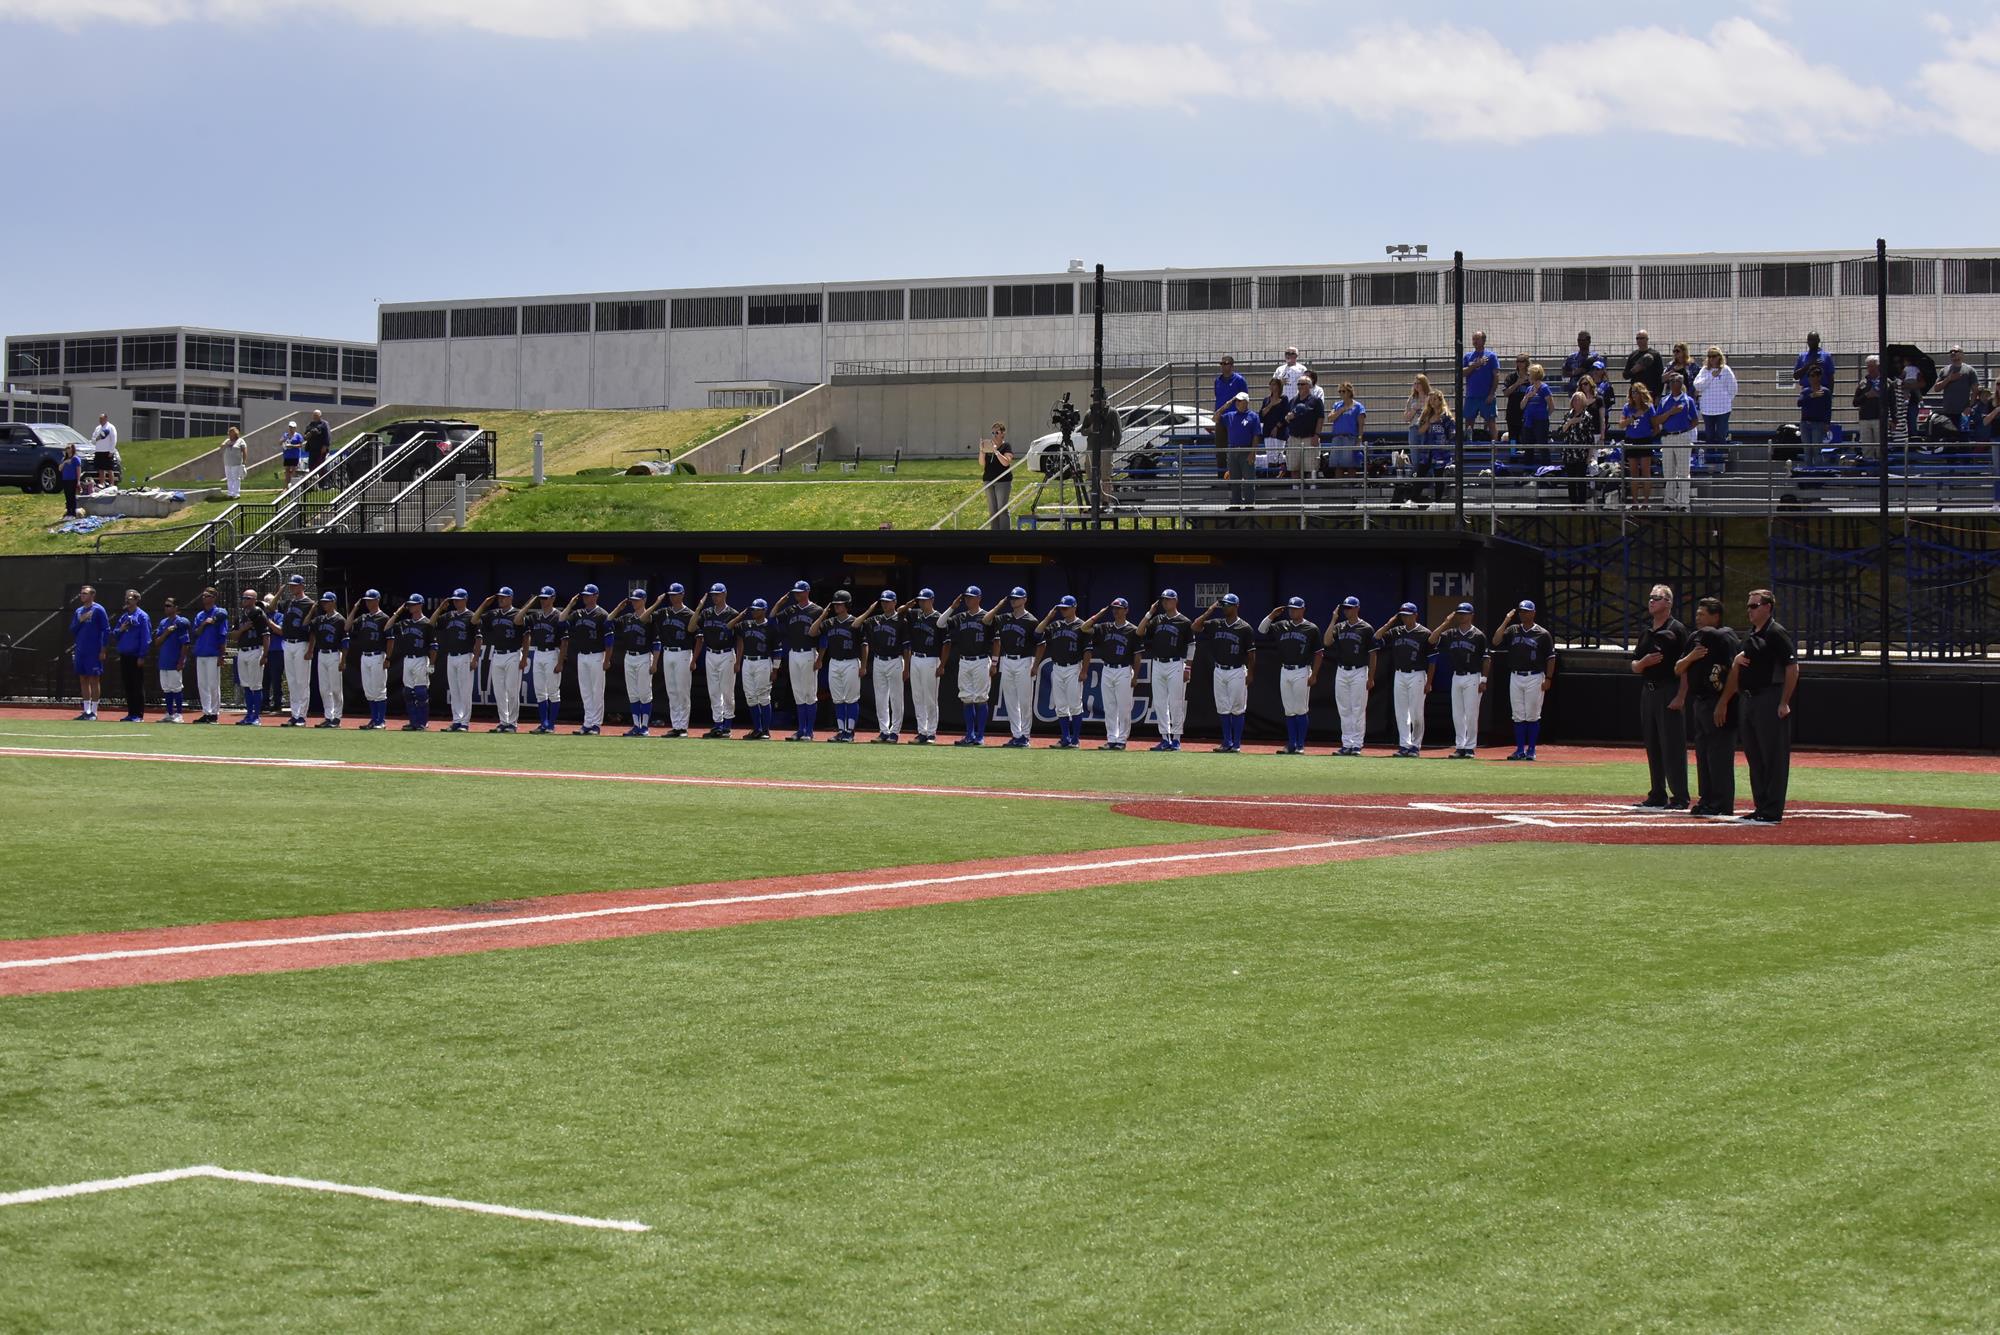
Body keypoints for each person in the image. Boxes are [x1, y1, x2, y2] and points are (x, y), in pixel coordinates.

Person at [1717, 589, 1798, 823]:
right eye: (1748, 606)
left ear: (1768, 607)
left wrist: (1784, 701)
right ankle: (1761, 806)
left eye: (1754, 606)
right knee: (1755, 755)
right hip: (1749, 699)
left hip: (1769, 698)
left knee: (1772, 756)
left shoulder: (1776, 633)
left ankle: (1772, 810)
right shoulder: (1752, 634)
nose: (1749, 610)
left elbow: (1792, 668)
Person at [1675, 596, 1740, 817]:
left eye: (1702, 614)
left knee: (1719, 754)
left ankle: (1722, 802)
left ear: (1716, 616)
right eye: (1697, 614)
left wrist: (1723, 703)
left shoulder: (1725, 637)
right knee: (1703, 753)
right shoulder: (1695, 638)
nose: (1698, 618)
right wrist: (1692, 657)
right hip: (1700, 703)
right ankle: (1707, 798)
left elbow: (1734, 671)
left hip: (1719, 702)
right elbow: (1678, 668)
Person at [1631, 584, 1690, 810]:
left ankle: (1680, 796)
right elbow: (1635, 665)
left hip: (1669, 690)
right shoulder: (1647, 632)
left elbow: (1686, 667)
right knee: (1653, 745)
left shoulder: (1677, 630)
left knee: (1672, 745)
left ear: (1668, 602)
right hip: (1649, 691)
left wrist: (1681, 696)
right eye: (1650, 597)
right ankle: (1657, 793)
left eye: (1657, 598)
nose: (1651, 601)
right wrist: (1643, 663)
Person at [1191, 594, 1255, 752]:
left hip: (1237, 670)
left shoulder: (1245, 628)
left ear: (1236, 606)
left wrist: (1251, 673)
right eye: (1223, 604)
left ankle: (1237, 744)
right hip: (1219, 669)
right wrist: (1209, 611)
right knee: (1223, 707)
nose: (1224, 607)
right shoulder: (1216, 624)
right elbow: (1195, 627)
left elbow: (1251, 654)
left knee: (1237, 708)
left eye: (1228, 604)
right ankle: (1227, 742)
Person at [1493, 601, 1556, 760]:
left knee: (1533, 715)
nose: (1523, 614)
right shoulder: (1513, 630)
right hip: (1515, 675)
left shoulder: (1542, 634)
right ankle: (1520, 749)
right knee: (1518, 715)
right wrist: (1506, 620)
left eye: (1526, 611)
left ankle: (1532, 750)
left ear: (1533, 613)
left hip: (1534, 676)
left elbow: (1551, 658)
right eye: (1521, 611)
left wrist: (1548, 678)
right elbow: (1496, 640)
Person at [1259, 597, 1320, 754]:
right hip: (1285, 670)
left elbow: (1319, 653)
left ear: (1303, 609)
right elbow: (1261, 630)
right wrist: (1272, 615)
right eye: (1291, 608)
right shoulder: (1281, 625)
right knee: (1289, 709)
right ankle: (1291, 743)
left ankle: (1300, 745)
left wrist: (1314, 674)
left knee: (1300, 709)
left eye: (1296, 608)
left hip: (1302, 669)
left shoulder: (1311, 628)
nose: (1292, 611)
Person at [1429, 603, 1489, 758]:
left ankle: (1470, 747)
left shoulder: (1478, 635)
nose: (1462, 616)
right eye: (1459, 613)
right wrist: (1445, 623)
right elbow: (1432, 640)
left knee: (1471, 714)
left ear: (1471, 615)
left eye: (1464, 613)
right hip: (1457, 675)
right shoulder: (1450, 634)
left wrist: (1484, 679)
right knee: (1457, 714)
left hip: (1473, 676)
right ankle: (1460, 746)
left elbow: (1486, 659)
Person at [937, 586, 995, 746]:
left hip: (981, 660)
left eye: (971, 597)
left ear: (979, 598)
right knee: (967, 698)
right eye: (966, 597)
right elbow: (940, 623)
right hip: (964, 661)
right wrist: (953, 607)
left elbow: (997, 640)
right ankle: (969, 734)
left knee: (981, 698)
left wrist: (995, 662)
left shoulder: (986, 616)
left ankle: (980, 736)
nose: (968, 600)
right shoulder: (960, 617)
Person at [1138, 590, 1193, 751]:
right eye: (1163, 600)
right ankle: (1164, 738)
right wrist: (1149, 613)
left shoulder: (1184, 621)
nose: (1165, 602)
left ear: (1175, 601)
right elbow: (1139, 632)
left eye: (1168, 600)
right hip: (1158, 664)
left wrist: (1188, 667)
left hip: (1176, 664)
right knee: (1160, 703)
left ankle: (1176, 739)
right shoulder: (1157, 620)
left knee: (1176, 703)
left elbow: (1191, 646)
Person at [1375, 603, 1431, 757]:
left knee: (1416, 712)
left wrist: (1429, 681)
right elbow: (1377, 637)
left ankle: (1415, 746)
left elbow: (1433, 659)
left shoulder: (1424, 633)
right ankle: (1404, 745)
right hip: (1400, 673)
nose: (1405, 618)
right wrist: (1389, 623)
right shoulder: (1396, 631)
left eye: (1408, 615)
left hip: (1417, 674)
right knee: (1401, 712)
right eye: (1403, 615)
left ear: (1415, 615)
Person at [987, 587, 1040, 748]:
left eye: (1017, 598)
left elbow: (1041, 644)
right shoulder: (1005, 618)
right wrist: (999, 605)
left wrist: (1035, 664)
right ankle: (1016, 734)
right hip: (1007, 660)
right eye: (1011, 598)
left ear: (1024, 600)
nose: (1013, 601)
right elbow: (986, 620)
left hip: (1024, 660)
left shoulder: (1031, 620)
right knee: (1010, 700)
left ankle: (1025, 736)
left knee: (1024, 701)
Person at [1322, 596, 1375, 755]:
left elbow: (1373, 654)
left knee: (1357, 708)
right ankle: (1346, 744)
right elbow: (1327, 641)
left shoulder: (1366, 628)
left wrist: (1371, 677)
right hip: (1342, 670)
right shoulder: (1340, 626)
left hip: (1359, 670)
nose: (1347, 610)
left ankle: (1357, 744)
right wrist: (1333, 619)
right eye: (1345, 607)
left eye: (1350, 607)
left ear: (1357, 608)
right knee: (1344, 708)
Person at [1037, 596, 1092, 749]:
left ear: (1074, 608)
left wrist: (1084, 671)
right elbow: (1037, 633)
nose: (1062, 610)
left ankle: (1075, 739)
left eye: (1065, 608)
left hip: (1074, 667)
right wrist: (1049, 617)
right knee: (1060, 705)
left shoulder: (1082, 626)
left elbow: (1088, 651)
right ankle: (1065, 738)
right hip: (1057, 667)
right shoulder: (1056, 625)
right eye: (1061, 608)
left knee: (1075, 704)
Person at [1087, 598, 1140, 750]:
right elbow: (1084, 628)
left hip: (1124, 669)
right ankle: (1111, 739)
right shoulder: (1105, 627)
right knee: (1109, 707)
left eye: (1119, 608)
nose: (1116, 611)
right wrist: (1100, 614)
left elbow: (1138, 655)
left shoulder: (1132, 630)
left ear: (1126, 610)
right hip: (1107, 668)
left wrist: (1135, 676)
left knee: (1124, 707)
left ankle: (1122, 740)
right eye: (1114, 608)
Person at [811, 592, 865, 743]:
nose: (836, 606)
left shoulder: (855, 622)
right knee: (838, 700)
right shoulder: (830, 622)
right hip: (834, 662)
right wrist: (823, 615)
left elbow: (864, 645)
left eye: (840, 604)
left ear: (847, 605)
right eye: (835, 604)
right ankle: (841, 731)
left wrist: (864, 666)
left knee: (851, 699)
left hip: (851, 662)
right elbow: (812, 631)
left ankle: (850, 732)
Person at [777, 581, 826, 740]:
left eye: (799, 592)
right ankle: (801, 729)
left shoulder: (817, 610)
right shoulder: (791, 610)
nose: (797, 595)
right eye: (795, 592)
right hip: (793, 653)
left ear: (807, 592)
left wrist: (820, 657)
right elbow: (772, 617)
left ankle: (809, 731)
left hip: (809, 652)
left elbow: (823, 636)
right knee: (798, 693)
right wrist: (780, 602)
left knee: (809, 693)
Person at [857, 591, 908, 743]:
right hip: (879, 660)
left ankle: (895, 731)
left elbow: (906, 647)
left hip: (895, 660)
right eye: (883, 602)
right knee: (880, 698)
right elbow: (856, 624)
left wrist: (907, 668)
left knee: (896, 698)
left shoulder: (901, 621)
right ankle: (884, 730)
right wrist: (869, 610)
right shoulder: (875, 620)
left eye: (888, 601)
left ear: (894, 602)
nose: (885, 604)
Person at [610, 589, 660, 737]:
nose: (634, 602)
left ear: (644, 600)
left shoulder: (650, 619)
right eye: (632, 600)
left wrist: (655, 663)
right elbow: (608, 621)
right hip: (629, 657)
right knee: (633, 694)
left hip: (644, 656)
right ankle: (636, 726)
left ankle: (644, 727)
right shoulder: (627, 618)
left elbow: (657, 643)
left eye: (637, 600)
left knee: (644, 693)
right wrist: (618, 608)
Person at [432, 588, 482, 732]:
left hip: (465, 655)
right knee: (454, 691)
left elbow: (479, 639)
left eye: (458, 599)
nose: (455, 602)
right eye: (454, 599)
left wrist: (475, 658)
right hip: (451, 656)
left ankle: (465, 722)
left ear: (465, 600)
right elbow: (432, 623)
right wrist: (440, 608)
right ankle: (456, 720)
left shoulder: (472, 616)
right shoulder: (449, 616)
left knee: (464, 691)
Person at [565, 584, 612, 735]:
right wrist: (571, 604)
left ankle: (596, 725)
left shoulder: (602, 614)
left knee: (597, 691)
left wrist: (607, 659)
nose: (585, 597)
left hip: (597, 655)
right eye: (584, 595)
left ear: (596, 596)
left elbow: (609, 639)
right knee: (585, 691)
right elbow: (561, 621)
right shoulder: (577, 613)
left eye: (588, 595)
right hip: (582, 655)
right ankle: (587, 723)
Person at [900, 589, 945, 744]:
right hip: (916, 658)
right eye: (920, 600)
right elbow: (900, 612)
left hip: (931, 659)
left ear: (932, 600)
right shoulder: (915, 614)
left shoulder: (938, 618)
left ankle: (931, 732)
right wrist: (909, 604)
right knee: (918, 697)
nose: (922, 602)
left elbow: (946, 643)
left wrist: (942, 664)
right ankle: (922, 731)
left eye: (924, 600)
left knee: (930, 698)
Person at [387, 594, 438, 730]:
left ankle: (423, 722)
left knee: (421, 692)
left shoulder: (427, 623)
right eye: (409, 604)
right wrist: (397, 613)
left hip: (421, 659)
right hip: (407, 659)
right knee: (408, 693)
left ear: (420, 605)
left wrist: (432, 664)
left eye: (413, 604)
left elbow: (433, 647)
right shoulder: (405, 623)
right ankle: (413, 722)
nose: (410, 607)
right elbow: (387, 628)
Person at [694, 583, 739, 737]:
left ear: (724, 594)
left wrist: (738, 661)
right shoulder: (706, 613)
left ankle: (727, 725)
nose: (715, 597)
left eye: (717, 594)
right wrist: (699, 608)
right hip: (711, 653)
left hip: (727, 654)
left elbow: (740, 639)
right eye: (713, 594)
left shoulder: (733, 613)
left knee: (727, 691)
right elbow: (691, 627)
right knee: (713, 691)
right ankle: (717, 724)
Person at [482, 585, 528, 734]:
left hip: (513, 654)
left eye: (504, 597)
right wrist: (485, 604)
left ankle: (513, 723)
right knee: (499, 691)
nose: (501, 599)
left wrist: (524, 657)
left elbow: (527, 636)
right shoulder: (494, 614)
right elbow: (475, 619)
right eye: (499, 597)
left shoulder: (517, 614)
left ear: (510, 598)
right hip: (497, 654)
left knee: (512, 690)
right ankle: (503, 721)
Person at [523, 587, 567, 734]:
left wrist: (560, 662)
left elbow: (564, 641)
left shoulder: (558, 616)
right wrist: (530, 603)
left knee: (554, 692)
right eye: (541, 598)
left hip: (552, 653)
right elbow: (518, 619)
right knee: (540, 691)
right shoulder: (536, 616)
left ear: (553, 598)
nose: (543, 601)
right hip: (538, 653)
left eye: (545, 598)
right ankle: (543, 723)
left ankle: (551, 725)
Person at [273, 575, 314, 726]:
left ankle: (302, 715)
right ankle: (294, 714)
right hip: (287, 643)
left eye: (295, 585)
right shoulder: (289, 602)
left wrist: (310, 649)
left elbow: (312, 630)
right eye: (291, 585)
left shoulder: (309, 603)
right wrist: (279, 593)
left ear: (303, 586)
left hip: (301, 643)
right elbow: (271, 608)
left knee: (302, 681)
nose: (292, 588)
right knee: (291, 681)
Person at [1654, 373, 1700, 511]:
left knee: (1683, 472)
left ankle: (1684, 503)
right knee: (1668, 471)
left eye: (1679, 381)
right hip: (1667, 437)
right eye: (1673, 381)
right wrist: (1671, 412)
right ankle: (1669, 502)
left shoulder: (1688, 400)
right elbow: (1657, 420)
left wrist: (1684, 430)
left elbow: (1695, 420)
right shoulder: (1664, 401)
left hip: (1682, 436)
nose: (1675, 383)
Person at [348, 589, 393, 730]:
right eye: (366, 600)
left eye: (370, 600)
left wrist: (388, 658)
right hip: (365, 656)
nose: (368, 602)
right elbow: (347, 626)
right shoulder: (363, 618)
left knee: (379, 690)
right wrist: (354, 609)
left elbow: (390, 640)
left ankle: (381, 721)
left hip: (378, 655)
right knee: (369, 690)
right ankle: (373, 719)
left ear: (377, 600)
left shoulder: (384, 618)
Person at [105, 588, 151, 722]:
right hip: (125, 655)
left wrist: (142, 656)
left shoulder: (142, 616)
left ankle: (138, 714)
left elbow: (146, 638)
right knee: (128, 685)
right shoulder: (124, 617)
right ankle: (131, 713)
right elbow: (114, 634)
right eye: (126, 598)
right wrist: (121, 629)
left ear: (136, 600)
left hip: (136, 656)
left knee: (137, 685)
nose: (127, 600)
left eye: (130, 598)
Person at [735, 599, 778, 739]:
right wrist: (738, 661)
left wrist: (775, 670)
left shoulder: (771, 627)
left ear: (764, 610)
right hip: (747, 661)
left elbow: (778, 650)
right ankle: (757, 729)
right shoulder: (746, 625)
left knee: (763, 697)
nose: (754, 611)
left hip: (763, 662)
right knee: (750, 697)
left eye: (757, 609)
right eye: (753, 609)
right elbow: (727, 628)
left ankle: (765, 730)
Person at [188, 587, 229, 723]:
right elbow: (196, 633)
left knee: (213, 684)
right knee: (202, 684)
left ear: (213, 597)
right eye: (203, 595)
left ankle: (214, 713)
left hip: (213, 653)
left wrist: (221, 655)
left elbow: (222, 635)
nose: (204, 598)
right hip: (201, 653)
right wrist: (204, 624)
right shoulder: (200, 615)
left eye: (207, 595)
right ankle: (206, 712)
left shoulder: (219, 613)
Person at [307, 592, 348, 728]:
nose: (324, 604)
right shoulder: (320, 619)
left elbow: (345, 642)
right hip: (322, 654)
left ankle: (337, 717)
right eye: (323, 602)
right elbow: (306, 626)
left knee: (336, 688)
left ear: (334, 602)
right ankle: (328, 716)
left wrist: (343, 660)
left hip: (334, 654)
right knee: (324, 689)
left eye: (327, 601)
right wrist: (312, 609)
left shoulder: (340, 620)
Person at [1216, 391, 1262, 507]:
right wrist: (1226, 405)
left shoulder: (1253, 416)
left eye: (1240, 400)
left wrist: (1253, 452)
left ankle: (1249, 503)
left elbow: (1256, 436)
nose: (1237, 403)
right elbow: (1215, 418)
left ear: (1246, 402)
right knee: (1234, 480)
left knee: (1248, 479)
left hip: (1246, 450)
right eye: (1236, 400)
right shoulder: (1230, 415)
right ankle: (1235, 503)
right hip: (1232, 450)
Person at [230, 588, 268, 725]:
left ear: (253, 600)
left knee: (256, 686)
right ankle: (249, 714)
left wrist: (265, 654)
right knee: (245, 685)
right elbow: (233, 636)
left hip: (255, 650)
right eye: (243, 597)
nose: (244, 600)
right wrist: (243, 629)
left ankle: (256, 716)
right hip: (242, 651)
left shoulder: (259, 614)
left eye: (247, 598)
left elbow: (266, 636)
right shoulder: (240, 616)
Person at [1412, 390, 1454, 504]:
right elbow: (1420, 431)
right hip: (1427, 450)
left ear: (1440, 400)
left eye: (1435, 399)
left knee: (1439, 476)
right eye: (1430, 400)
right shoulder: (1426, 415)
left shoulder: (1446, 417)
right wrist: (1429, 423)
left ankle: (1438, 501)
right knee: (1421, 474)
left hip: (1440, 451)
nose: (1432, 402)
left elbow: (1451, 433)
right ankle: (1413, 498)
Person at [1622, 383, 1659, 507]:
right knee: (1634, 472)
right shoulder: (1627, 407)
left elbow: (1656, 427)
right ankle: (1635, 501)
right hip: (1631, 441)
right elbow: (1621, 424)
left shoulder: (1649, 407)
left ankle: (1646, 501)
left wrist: (1647, 435)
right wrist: (1633, 417)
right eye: (1632, 392)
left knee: (1645, 471)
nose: (1634, 395)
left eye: (1636, 392)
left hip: (1644, 441)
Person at [1288, 375, 1328, 484]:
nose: (1300, 386)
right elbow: (1286, 417)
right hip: (1294, 438)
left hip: (1309, 438)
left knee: (1311, 466)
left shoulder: (1316, 401)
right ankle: (1295, 488)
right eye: (1298, 384)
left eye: (1303, 384)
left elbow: (1320, 419)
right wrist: (1288, 417)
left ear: (1309, 386)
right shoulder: (1292, 401)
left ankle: (1312, 488)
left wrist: (1317, 435)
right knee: (1294, 465)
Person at [1693, 346, 1737, 446]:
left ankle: (1720, 458)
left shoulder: (1726, 370)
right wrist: (1711, 376)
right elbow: (1698, 386)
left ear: (1719, 357)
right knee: (1709, 435)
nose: (1711, 358)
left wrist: (1726, 400)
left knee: (1721, 434)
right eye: (1709, 356)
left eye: (1714, 356)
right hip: (1708, 409)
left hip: (1723, 409)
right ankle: (1711, 458)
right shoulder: (1704, 370)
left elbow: (1733, 388)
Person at [1212, 357, 1247, 475]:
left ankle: (1236, 474)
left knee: (1235, 448)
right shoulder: (1217, 381)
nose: (1222, 366)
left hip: (1235, 419)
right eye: (1221, 363)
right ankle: (1221, 475)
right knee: (1220, 449)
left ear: (1232, 365)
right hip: (1221, 418)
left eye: (1225, 363)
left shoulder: (1239, 380)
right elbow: (1217, 397)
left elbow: (1244, 398)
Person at [1463, 330, 1500, 442]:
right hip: (1471, 396)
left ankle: (1494, 450)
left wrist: (1491, 394)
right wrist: (1474, 365)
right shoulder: (1468, 356)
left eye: (1477, 339)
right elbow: (1462, 372)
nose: (1474, 341)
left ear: (1483, 340)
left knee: (1491, 422)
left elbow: (1496, 375)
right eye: (1473, 339)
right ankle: (1467, 448)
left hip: (1486, 396)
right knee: (1469, 422)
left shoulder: (1491, 356)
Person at [980, 423, 1015, 532]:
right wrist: (982, 450)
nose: (994, 435)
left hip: (1003, 481)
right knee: (992, 510)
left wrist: (996, 452)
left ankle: (1004, 535)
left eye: (997, 432)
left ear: (1003, 434)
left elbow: (1006, 462)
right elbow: (982, 463)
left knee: (1002, 510)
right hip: (989, 480)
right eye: (993, 433)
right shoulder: (988, 447)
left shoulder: (1006, 446)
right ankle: (994, 535)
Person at [1325, 382, 1363, 479]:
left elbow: (1361, 425)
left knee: (1350, 465)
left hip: (1350, 438)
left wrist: (1359, 440)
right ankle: (1339, 487)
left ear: (1350, 392)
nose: (1341, 393)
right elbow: (1330, 418)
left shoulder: (1358, 406)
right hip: (1337, 438)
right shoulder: (1337, 405)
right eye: (1340, 391)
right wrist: (1341, 411)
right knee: (1337, 465)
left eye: (1343, 391)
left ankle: (1351, 488)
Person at [1935, 346, 1980, 429]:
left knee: (1963, 437)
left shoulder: (1970, 370)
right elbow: (1936, 388)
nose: (1953, 353)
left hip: (1963, 411)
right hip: (1947, 411)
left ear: (1962, 354)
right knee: (1949, 436)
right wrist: (1948, 379)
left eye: (1956, 351)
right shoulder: (1944, 370)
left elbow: (1975, 391)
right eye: (1951, 351)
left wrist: (1970, 406)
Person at [1519, 363, 1554, 460]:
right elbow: (1522, 406)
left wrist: (1544, 416)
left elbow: (1551, 406)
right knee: (1528, 446)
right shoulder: (1529, 389)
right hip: (1528, 420)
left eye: (1530, 374)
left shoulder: (1544, 388)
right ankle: (1528, 468)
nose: (1528, 376)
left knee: (1542, 445)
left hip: (1540, 421)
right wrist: (1527, 397)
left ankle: (1546, 467)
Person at [1258, 377, 1290, 479]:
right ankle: (1272, 475)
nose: (1272, 387)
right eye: (1271, 384)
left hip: (1280, 432)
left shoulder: (1284, 399)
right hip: (1268, 431)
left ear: (1279, 386)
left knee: (1279, 454)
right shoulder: (1266, 400)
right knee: (1270, 455)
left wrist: (1277, 427)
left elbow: (1286, 416)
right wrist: (1271, 404)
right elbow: (1261, 416)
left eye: (1274, 384)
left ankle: (1282, 473)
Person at [1853, 355, 1886, 452]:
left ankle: (1881, 465)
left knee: (1880, 447)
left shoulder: (1885, 382)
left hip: (1880, 419)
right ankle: (1868, 464)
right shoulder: (1863, 383)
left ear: (1878, 367)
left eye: (1872, 366)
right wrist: (1866, 395)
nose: (1870, 369)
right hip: (1865, 419)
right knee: (1867, 447)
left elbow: (1891, 401)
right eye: (1868, 366)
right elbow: (1855, 402)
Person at [1797, 363, 1834, 446]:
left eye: (1815, 375)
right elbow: (1799, 403)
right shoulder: (1805, 391)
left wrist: (1827, 423)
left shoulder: (1825, 392)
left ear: (1820, 377)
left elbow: (1828, 408)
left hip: (1818, 423)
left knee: (1817, 449)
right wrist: (1811, 396)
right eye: (1811, 376)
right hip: (1805, 423)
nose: (1813, 378)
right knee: (1807, 449)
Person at [1793, 332, 1836, 399]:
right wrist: (1808, 365)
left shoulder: (1826, 356)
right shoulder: (1802, 356)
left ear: (1818, 340)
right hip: (1807, 391)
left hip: (1822, 391)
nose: (1811, 342)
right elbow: (1795, 376)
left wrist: (1830, 394)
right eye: (1810, 340)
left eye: (1814, 339)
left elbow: (1831, 377)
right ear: (1807, 341)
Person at [1503, 353, 1532, 447]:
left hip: (1527, 412)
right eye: (1517, 361)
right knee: (1513, 437)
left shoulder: (1531, 377)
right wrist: (1517, 383)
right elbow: (1505, 393)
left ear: (1526, 363)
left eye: (1522, 361)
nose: (1519, 363)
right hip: (1513, 412)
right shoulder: (1511, 377)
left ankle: (1525, 456)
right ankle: (1513, 455)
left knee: (1526, 436)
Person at [1624, 331, 1664, 399]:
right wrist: (1634, 370)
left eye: (1642, 338)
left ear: (1647, 339)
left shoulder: (1655, 355)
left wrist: (1658, 395)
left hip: (1651, 393)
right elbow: (1625, 375)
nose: (1639, 340)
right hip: (1636, 393)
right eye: (1637, 338)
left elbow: (1660, 376)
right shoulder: (1632, 355)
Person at [1402, 373, 1433, 455]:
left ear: (1424, 384)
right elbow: (1406, 419)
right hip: (1414, 428)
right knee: (1415, 455)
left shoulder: (1431, 397)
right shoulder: (1411, 399)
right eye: (1415, 383)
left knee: (1427, 455)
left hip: (1428, 428)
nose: (1416, 385)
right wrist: (1414, 409)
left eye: (1418, 383)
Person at [88, 414, 119, 488]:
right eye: (99, 419)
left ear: (106, 419)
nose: (100, 420)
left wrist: (111, 451)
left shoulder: (111, 427)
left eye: (101, 419)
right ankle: (102, 483)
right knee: (100, 468)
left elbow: (114, 439)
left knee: (109, 469)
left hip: (107, 451)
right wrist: (97, 438)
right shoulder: (97, 428)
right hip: (99, 451)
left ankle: (112, 484)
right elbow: (93, 439)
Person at [221, 426, 249, 499]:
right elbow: (222, 446)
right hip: (227, 462)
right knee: (229, 478)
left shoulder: (240, 441)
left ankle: (236, 493)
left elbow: (244, 451)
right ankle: (230, 493)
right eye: (229, 433)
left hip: (236, 463)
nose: (229, 435)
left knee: (236, 478)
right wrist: (225, 444)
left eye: (231, 433)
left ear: (235, 433)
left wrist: (244, 460)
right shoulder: (227, 440)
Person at [303, 410, 331, 478]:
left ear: (320, 416)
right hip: (312, 449)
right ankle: (312, 482)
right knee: (311, 466)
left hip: (321, 449)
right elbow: (305, 435)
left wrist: (325, 446)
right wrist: (307, 435)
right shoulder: (310, 424)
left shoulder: (324, 424)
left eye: (316, 415)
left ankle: (322, 483)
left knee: (321, 466)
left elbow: (327, 435)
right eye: (314, 415)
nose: (314, 417)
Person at [278, 421, 304, 487]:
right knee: (287, 471)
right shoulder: (285, 435)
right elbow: (280, 442)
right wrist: (283, 439)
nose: (290, 429)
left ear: (295, 428)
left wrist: (292, 446)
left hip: (295, 456)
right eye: (290, 427)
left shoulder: (298, 435)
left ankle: (292, 486)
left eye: (292, 427)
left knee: (293, 471)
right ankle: (286, 486)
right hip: (287, 456)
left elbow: (301, 445)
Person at [58, 443, 81, 515]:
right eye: (66, 448)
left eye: (69, 448)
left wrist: (78, 480)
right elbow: (60, 469)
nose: (67, 449)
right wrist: (65, 462)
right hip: (65, 480)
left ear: (72, 449)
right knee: (67, 495)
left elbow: (78, 470)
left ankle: (73, 511)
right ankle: (68, 510)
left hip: (73, 479)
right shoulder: (64, 459)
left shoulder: (75, 459)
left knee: (72, 495)